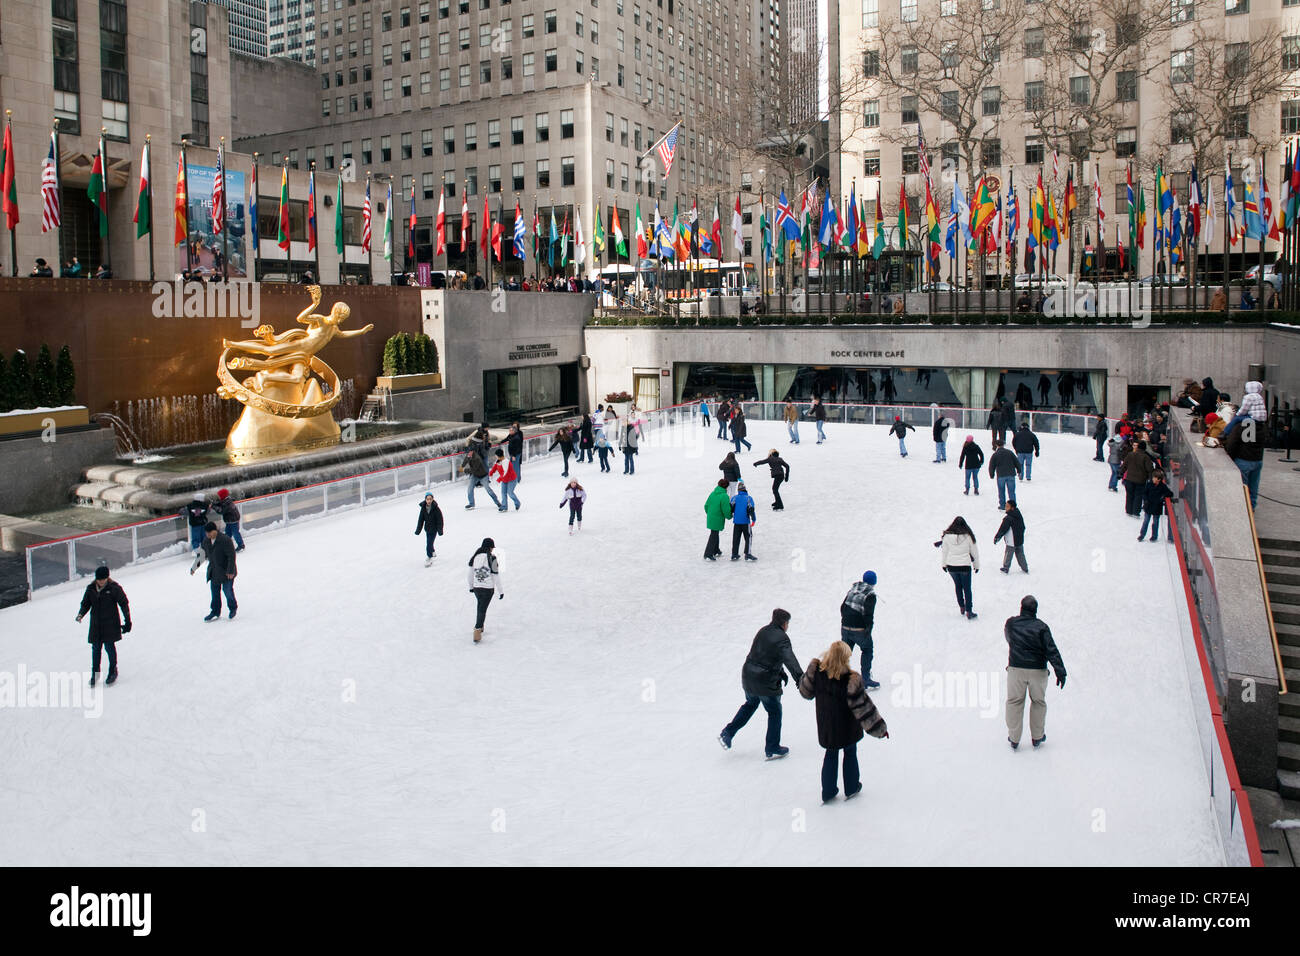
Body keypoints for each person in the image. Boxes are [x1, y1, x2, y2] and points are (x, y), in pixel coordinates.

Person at [798, 640, 889, 803]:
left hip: (827, 726)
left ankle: (828, 791)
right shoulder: (851, 680)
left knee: (830, 755)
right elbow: (864, 709)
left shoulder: (818, 673)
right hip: (847, 728)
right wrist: (880, 729)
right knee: (850, 753)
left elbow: (806, 692)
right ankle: (852, 787)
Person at [718, 608, 804, 759]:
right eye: (787, 623)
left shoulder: (763, 631)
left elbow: (763, 654)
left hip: (748, 676)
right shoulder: (782, 638)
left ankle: (728, 732)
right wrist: (801, 679)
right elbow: (790, 660)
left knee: (750, 704)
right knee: (775, 711)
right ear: (784, 623)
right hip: (765, 681)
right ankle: (772, 747)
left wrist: (780, 672)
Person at [1004, 595, 1066, 750]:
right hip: (1038, 671)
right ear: (1035, 610)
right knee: (1038, 702)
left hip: (1016, 669)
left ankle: (1014, 737)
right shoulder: (1042, 627)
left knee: (1014, 701)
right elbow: (1051, 650)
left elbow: (1009, 638)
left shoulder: (1011, 623)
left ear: (1021, 607)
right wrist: (1060, 671)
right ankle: (1037, 736)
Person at [76, 566, 130, 687]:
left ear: (107, 577)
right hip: (96, 625)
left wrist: (128, 621)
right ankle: (95, 674)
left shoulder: (114, 588)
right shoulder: (91, 589)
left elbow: (124, 603)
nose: (101, 582)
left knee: (109, 647)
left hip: (110, 623)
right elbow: (85, 604)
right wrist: (80, 614)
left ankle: (113, 671)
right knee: (96, 649)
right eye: (99, 579)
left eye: (103, 579)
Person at [839, 571, 879, 688]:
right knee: (867, 649)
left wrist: (845, 622)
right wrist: (868, 630)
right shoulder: (870, 595)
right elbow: (868, 615)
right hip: (859, 629)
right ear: (874, 582)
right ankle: (866, 679)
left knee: (845, 653)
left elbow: (842, 607)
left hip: (845, 627)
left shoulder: (852, 590)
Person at [935, 516, 980, 620]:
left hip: (952, 566)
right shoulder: (968, 536)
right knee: (967, 588)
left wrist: (944, 564)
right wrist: (976, 566)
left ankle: (962, 606)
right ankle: (969, 611)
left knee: (958, 586)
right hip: (965, 566)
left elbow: (945, 551)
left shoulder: (947, 536)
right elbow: (974, 552)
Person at [193, 522, 238, 622]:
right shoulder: (206, 541)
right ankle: (215, 611)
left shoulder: (225, 540)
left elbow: (231, 556)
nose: (208, 535)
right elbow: (202, 555)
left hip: (226, 571)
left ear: (215, 530)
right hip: (214, 571)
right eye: (206, 533)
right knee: (215, 593)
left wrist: (230, 571)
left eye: (210, 532)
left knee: (227, 591)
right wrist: (194, 567)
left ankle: (233, 608)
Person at [1223, 413, 1265, 510]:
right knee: (1253, 486)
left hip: (1243, 460)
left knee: (1242, 488)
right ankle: (1252, 508)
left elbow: (1232, 444)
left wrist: (1230, 457)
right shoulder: (1261, 426)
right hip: (1257, 460)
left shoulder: (1241, 425)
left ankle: (1243, 510)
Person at [466, 537, 504, 643]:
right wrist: (501, 591)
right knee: (482, 609)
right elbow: (496, 576)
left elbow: (470, 574)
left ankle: (480, 626)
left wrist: (471, 586)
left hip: (477, 588)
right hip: (488, 589)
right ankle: (477, 630)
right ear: (490, 547)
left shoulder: (475, 557)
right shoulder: (492, 558)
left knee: (480, 606)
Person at [1122, 439, 1155, 517]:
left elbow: (1124, 465)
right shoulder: (1146, 457)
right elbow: (1150, 469)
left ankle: (1129, 510)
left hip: (1129, 478)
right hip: (1141, 480)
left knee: (1129, 495)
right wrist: (1150, 478)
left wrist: (1121, 473)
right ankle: (1136, 512)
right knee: (1138, 495)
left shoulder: (1130, 454)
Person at [994, 499, 1028, 574]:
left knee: (1008, 554)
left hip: (1011, 540)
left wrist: (997, 537)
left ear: (1012, 508)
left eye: (1007, 506)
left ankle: (1006, 568)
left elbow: (1002, 529)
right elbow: (1023, 526)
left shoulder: (1008, 519)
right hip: (1019, 539)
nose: (1005, 507)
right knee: (1020, 554)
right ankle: (1025, 567)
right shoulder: (1019, 514)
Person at [1138, 471, 1173, 542]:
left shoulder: (1163, 486)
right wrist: (1146, 500)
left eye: (1154, 478)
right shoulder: (1149, 484)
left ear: (1159, 479)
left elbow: (1170, 493)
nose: (1153, 479)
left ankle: (1154, 536)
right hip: (1149, 506)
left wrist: (1163, 496)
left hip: (1157, 507)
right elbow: (1144, 493)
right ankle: (1142, 535)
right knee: (1146, 521)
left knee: (1155, 522)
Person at [703, 478, 732, 561]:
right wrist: (729, 516)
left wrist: (710, 514)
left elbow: (706, 505)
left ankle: (716, 550)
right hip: (717, 518)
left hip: (711, 517)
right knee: (714, 535)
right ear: (726, 487)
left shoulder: (713, 493)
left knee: (715, 533)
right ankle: (708, 554)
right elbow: (726, 509)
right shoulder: (724, 496)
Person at [987, 440, 1022, 509]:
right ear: (1003, 445)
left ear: (997, 445)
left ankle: (1003, 505)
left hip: (1001, 475)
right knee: (1011, 492)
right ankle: (1013, 506)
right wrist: (1019, 470)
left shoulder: (995, 454)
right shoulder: (1009, 452)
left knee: (1001, 491)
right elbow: (1016, 462)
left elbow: (991, 465)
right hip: (1011, 474)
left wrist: (992, 474)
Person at [730, 481, 757, 561]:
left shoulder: (734, 498)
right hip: (745, 521)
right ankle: (747, 554)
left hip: (737, 522)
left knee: (736, 538)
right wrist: (754, 519)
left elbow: (731, 508)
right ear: (745, 489)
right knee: (748, 537)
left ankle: (734, 554)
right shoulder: (748, 498)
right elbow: (751, 509)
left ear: (738, 490)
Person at [415, 492, 445, 565]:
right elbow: (421, 520)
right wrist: (418, 530)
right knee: (429, 542)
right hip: (427, 529)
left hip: (434, 529)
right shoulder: (423, 508)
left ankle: (429, 557)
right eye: (427, 499)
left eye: (430, 499)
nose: (429, 501)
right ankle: (433, 551)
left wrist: (440, 530)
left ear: (432, 499)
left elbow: (440, 520)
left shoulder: (436, 509)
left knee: (429, 543)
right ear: (425, 499)